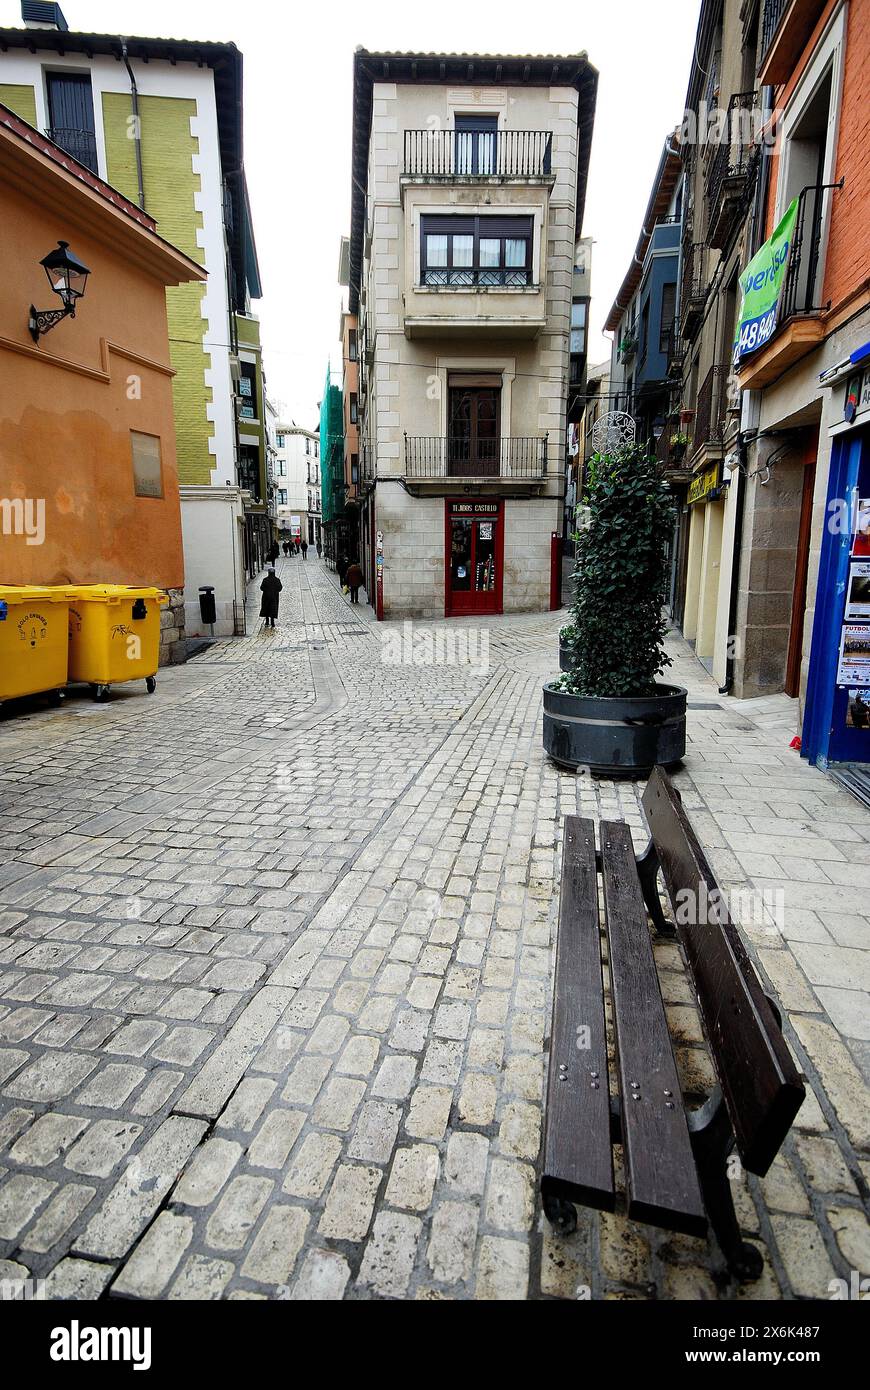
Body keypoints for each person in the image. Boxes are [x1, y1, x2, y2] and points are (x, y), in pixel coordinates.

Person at [260, 563, 282, 629]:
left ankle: (267, 621)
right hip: (274, 597)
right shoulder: (277, 580)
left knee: (266, 608)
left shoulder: (265, 580)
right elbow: (280, 588)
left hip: (266, 597)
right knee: (273, 609)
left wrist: (266, 590)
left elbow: (261, 588)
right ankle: (272, 622)